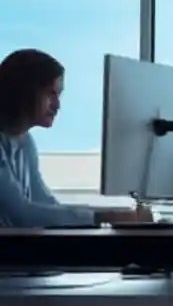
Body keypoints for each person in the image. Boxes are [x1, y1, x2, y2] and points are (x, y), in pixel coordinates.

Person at [0, 49, 151, 227]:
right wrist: (104, 218)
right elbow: (22, 213)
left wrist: (110, 215)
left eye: (59, 95)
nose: (57, 105)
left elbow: (45, 203)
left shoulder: (25, 143)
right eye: (51, 94)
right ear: (24, 91)